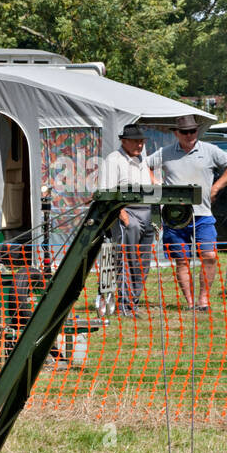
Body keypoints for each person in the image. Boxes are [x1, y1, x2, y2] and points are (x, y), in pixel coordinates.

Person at [150, 115, 227, 312]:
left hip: (203, 214)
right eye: (185, 132)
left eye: (193, 131)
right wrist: (156, 184)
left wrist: (216, 187)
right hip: (174, 216)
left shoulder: (209, 150)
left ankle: (203, 300)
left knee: (209, 255)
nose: (190, 135)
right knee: (182, 260)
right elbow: (144, 166)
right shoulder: (165, 152)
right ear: (176, 133)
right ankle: (191, 303)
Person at [99, 123, 157, 316]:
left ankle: (134, 302)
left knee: (143, 261)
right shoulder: (113, 160)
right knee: (127, 259)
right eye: (136, 141)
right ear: (124, 141)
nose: (140, 145)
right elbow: (107, 192)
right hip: (127, 214)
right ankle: (124, 305)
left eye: (142, 141)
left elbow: (152, 184)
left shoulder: (142, 160)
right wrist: (123, 216)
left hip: (146, 212)